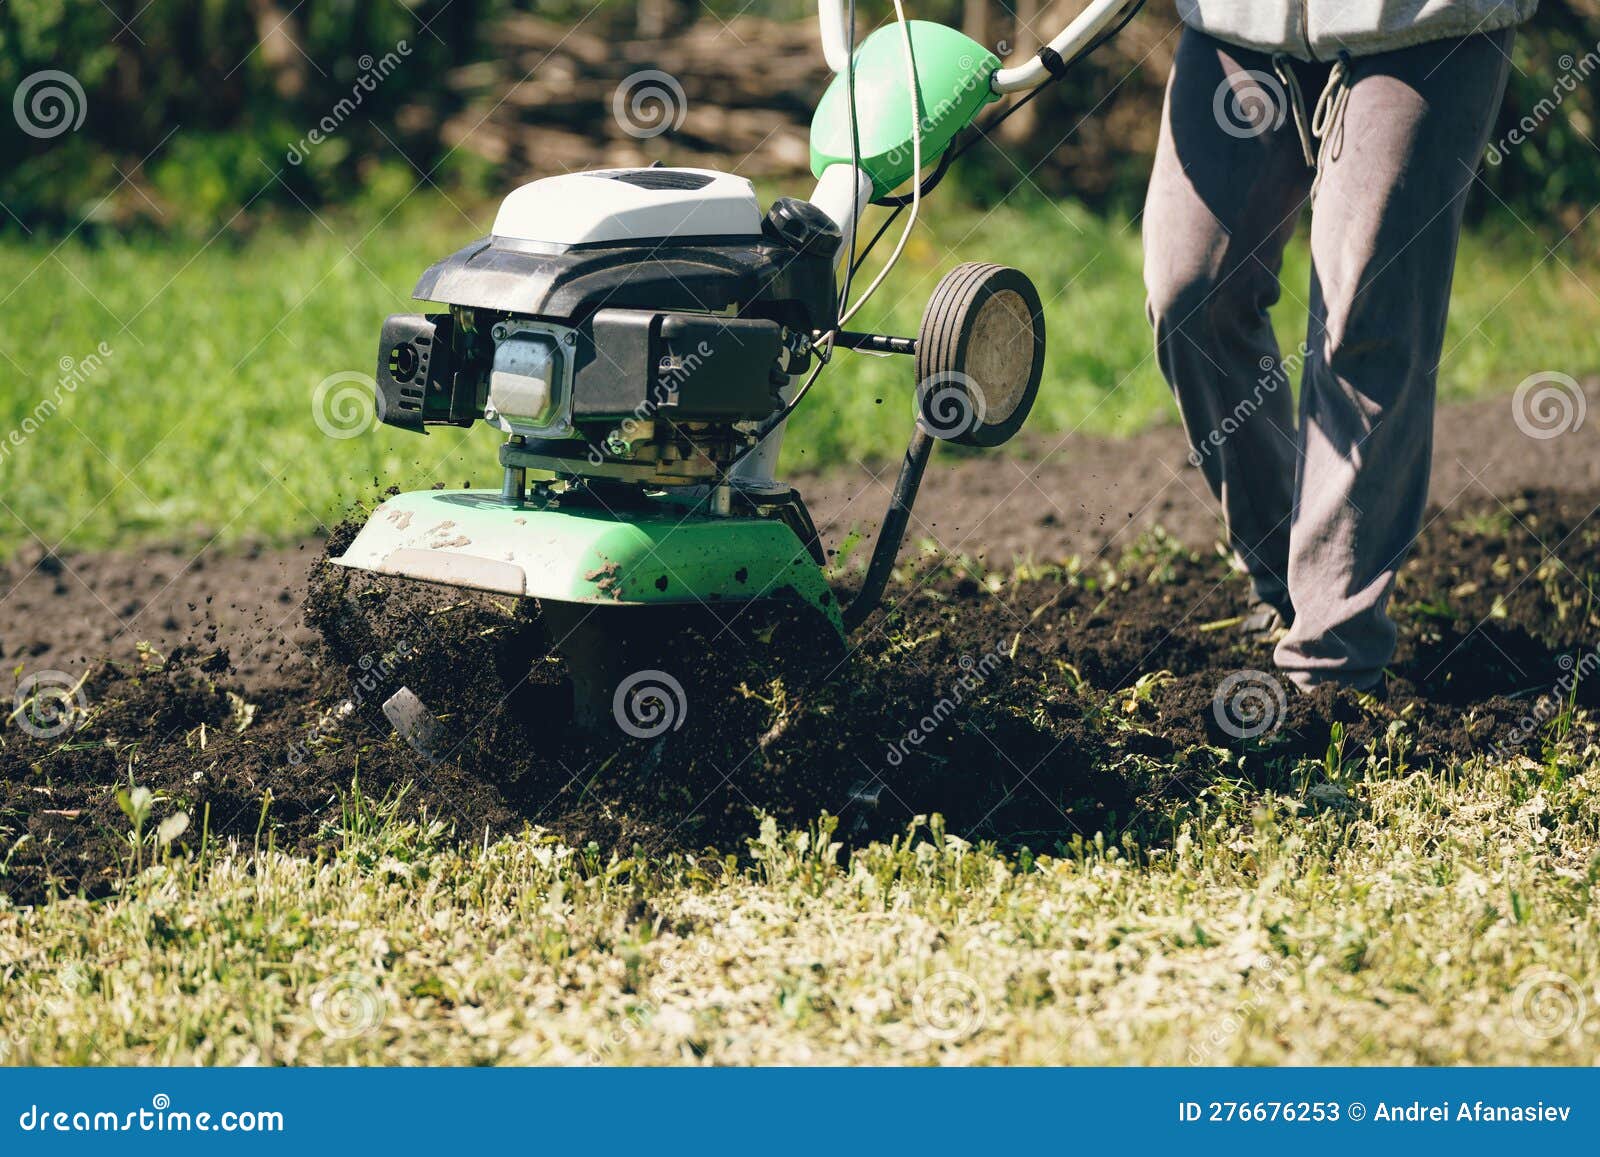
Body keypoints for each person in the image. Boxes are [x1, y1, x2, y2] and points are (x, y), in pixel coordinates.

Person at [1143, 0, 1534, 691]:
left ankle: (1331, 664)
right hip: (1237, 24)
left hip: (1419, 25)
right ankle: (1280, 575)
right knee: (1190, 292)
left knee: (1365, 320)